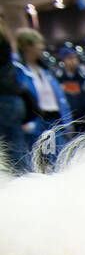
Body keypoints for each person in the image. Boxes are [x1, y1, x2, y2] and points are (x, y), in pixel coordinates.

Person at [11, 29, 71, 164]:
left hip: (55, 120)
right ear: (27, 46)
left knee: (60, 159)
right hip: (35, 123)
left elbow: (60, 98)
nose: (42, 47)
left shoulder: (47, 70)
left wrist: (67, 120)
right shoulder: (18, 71)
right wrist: (24, 121)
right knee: (37, 161)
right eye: (39, 44)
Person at [0, 10, 34, 167]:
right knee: (17, 148)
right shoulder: (5, 38)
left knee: (11, 153)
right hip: (13, 100)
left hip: (4, 100)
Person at [54, 49, 85, 138]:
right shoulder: (58, 78)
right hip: (69, 120)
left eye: (75, 58)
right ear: (63, 60)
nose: (73, 61)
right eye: (70, 58)